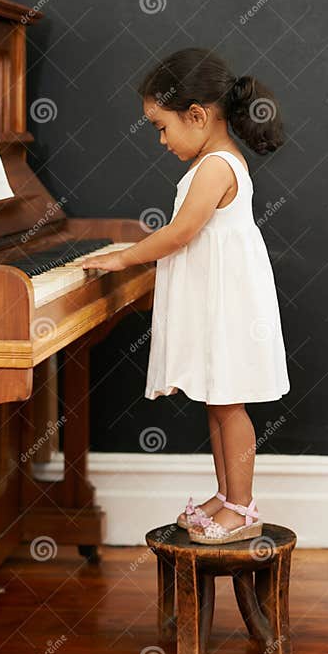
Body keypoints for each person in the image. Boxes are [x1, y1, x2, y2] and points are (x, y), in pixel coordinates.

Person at [79, 47, 290, 545]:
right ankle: (226, 494)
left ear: (197, 115)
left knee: (230, 406)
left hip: (231, 306)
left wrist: (124, 258)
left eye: (162, 126)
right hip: (218, 300)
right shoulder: (211, 161)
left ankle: (242, 507)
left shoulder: (217, 166)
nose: (160, 139)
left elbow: (179, 233)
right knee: (218, 402)